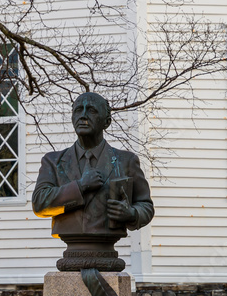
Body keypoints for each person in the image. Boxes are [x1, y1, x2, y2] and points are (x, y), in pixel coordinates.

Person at [32, 91, 153, 237]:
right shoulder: (53, 161)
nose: (83, 115)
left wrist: (132, 213)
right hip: (71, 247)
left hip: (107, 249)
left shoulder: (125, 160)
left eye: (92, 110)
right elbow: (39, 203)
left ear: (106, 122)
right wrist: (81, 186)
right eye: (78, 110)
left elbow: (145, 206)